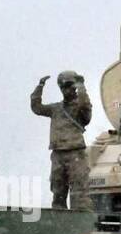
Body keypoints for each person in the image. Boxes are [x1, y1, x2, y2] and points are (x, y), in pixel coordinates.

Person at [31, 71, 93, 211]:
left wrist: (82, 86)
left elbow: (86, 110)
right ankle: (60, 221)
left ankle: (82, 222)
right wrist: (40, 86)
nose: (66, 89)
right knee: (58, 191)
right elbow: (37, 107)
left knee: (79, 193)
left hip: (75, 153)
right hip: (58, 154)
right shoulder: (56, 109)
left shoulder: (80, 107)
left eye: (70, 85)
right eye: (63, 86)